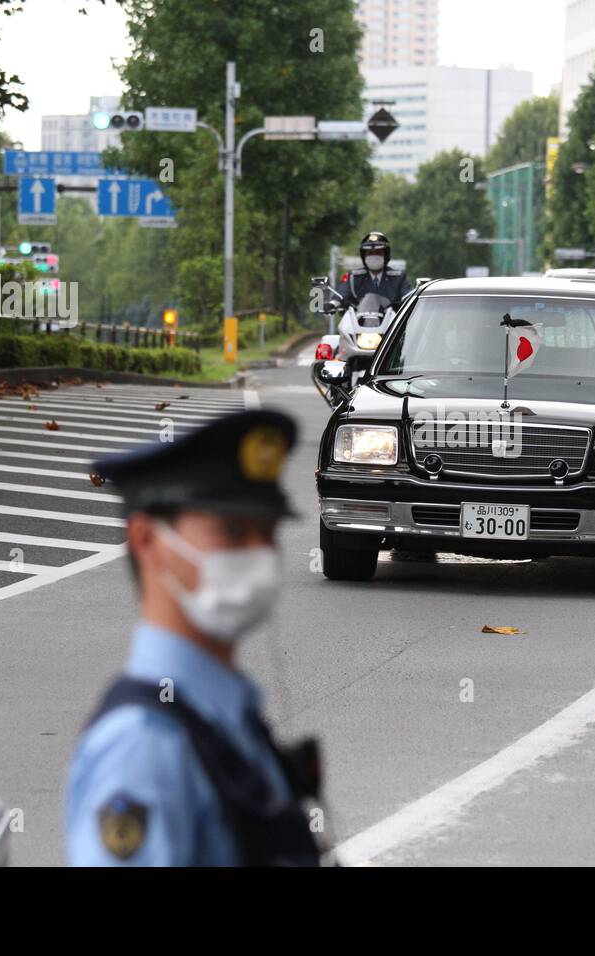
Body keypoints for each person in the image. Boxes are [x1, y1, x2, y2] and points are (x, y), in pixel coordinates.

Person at [65, 410, 323, 865]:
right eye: (231, 532)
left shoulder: (226, 712)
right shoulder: (141, 749)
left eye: (267, 534)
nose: (259, 555)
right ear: (147, 541)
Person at [332, 231, 412, 312]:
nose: (374, 256)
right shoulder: (353, 277)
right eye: (370, 253)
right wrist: (333, 303)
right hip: (358, 322)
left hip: (391, 322)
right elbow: (342, 293)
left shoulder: (398, 277)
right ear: (364, 256)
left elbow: (407, 296)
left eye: (378, 253)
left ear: (386, 255)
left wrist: (411, 300)